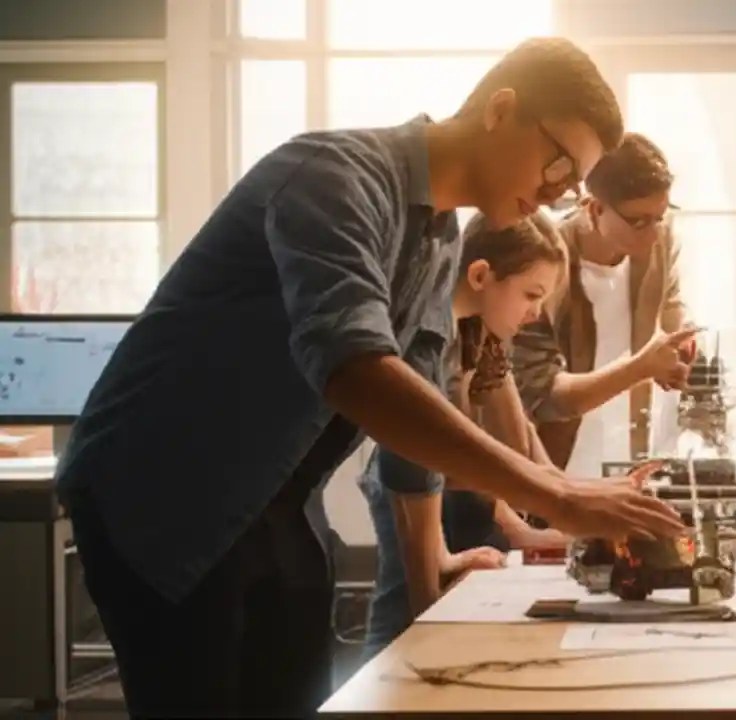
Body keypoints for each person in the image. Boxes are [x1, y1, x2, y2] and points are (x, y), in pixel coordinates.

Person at [53, 38, 682, 719]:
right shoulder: (335, 175)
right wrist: (554, 491)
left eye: (574, 179)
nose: (560, 191)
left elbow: (416, 411)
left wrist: (432, 559)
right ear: (503, 110)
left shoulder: (440, 240)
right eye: (560, 162)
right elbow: (354, 368)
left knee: (297, 694)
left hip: (276, 497)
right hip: (162, 487)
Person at [358, 211, 572, 659]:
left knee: (424, 615)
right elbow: (441, 453)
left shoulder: (479, 330)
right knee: (400, 619)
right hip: (405, 480)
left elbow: (502, 444)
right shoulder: (431, 332)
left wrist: (549, 505)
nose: (535, 313)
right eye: (531, 295)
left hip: (442, 481)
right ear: (480, 275)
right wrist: (519, 526)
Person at [513, 132, 695, 476]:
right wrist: (641, 367)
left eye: (661, 216)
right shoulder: (543, 263)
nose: (654, 232)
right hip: (558, 466)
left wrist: (682, 339)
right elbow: (542, 395)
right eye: (639, 221)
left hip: (634, 458)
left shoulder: (660, 239)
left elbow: (670, 302)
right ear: (595, 208)